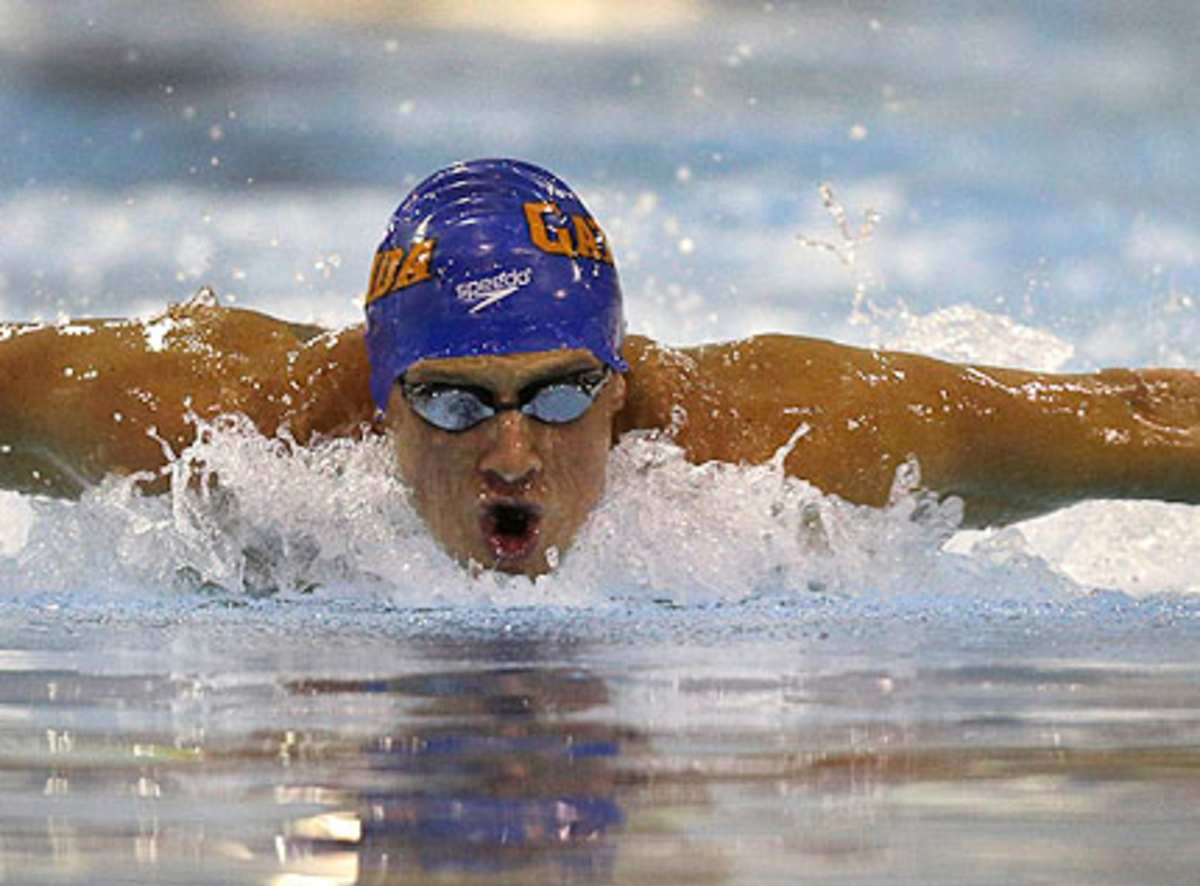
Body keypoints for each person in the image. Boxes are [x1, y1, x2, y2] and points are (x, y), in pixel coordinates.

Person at [2, 157, 1199, 577]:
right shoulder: (198, 429)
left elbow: (1128, 418)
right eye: (455, 401)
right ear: (381, 399)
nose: (513, 452)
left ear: (618, 385)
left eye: (563, 394)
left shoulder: (791, 446)